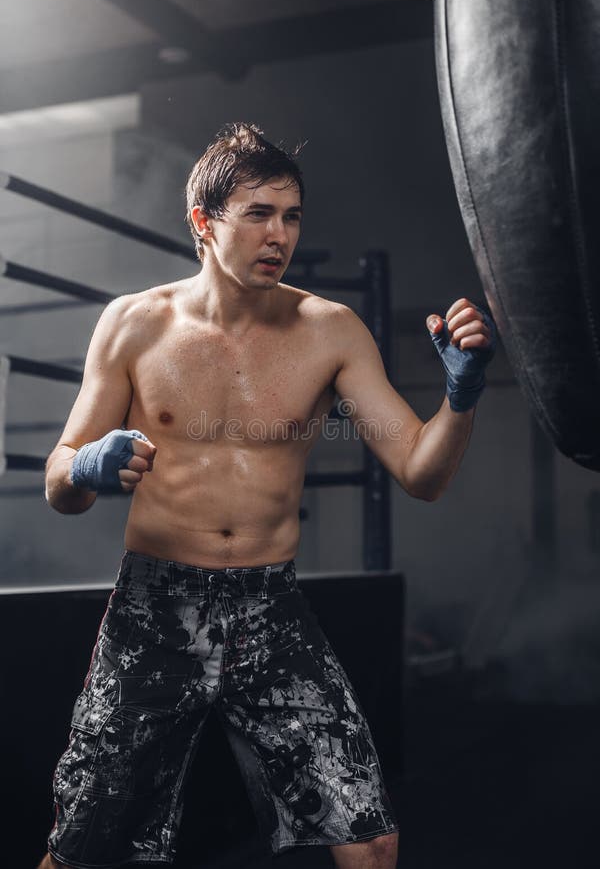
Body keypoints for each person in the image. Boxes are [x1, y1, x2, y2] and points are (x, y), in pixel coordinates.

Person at [38, 123, 496, 869]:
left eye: (291, 216)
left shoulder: (330, 330)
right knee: (82, 846)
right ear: (203, 223)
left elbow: (422, 471)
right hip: (154, 610)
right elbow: (60, 485)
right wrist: (86, 466)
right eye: (257, 213)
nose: (278, 234)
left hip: (270, 610)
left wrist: (464, 395)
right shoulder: (133, 324)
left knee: (372, 843)